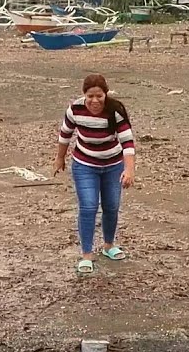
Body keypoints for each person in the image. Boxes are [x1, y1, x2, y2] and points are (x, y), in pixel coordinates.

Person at [54, 74, 136, 274]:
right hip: (85, 165)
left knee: (112, 206)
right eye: (90, 96)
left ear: (105, 94)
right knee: (89, 206)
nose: (95, 101)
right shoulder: (75, 109)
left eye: (99, 96)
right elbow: (65, 135)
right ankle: (86, 254)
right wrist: (59, 158)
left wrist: (129, 169)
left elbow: (127, 143)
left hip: (113, 165)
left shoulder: (115, 111)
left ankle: (108, 245)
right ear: (84, 95)